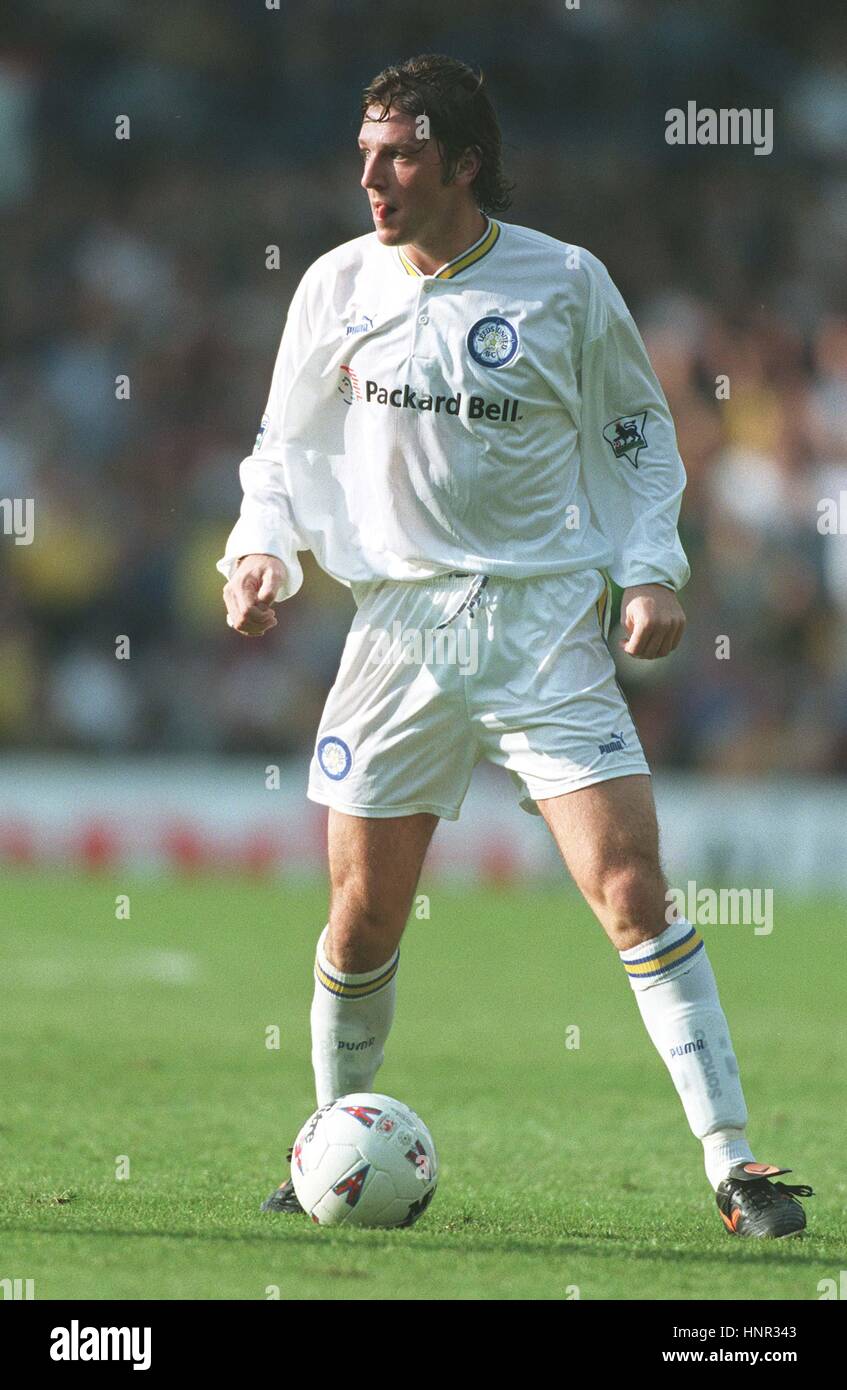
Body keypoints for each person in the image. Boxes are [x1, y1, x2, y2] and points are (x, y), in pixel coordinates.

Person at [219, 54, 811, 1238]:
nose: (373, 179)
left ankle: (736, 1167)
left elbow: (641, 432)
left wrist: (651, 566)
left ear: (461, 163)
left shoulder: (566, 283)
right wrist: (259, 550)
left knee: (631, 890)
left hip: (542, 626)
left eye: (398, 156)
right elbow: (280, 446)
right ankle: (332, 1141)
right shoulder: (335, 285)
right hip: (397, 632)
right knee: (362, 922)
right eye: (364, 155)